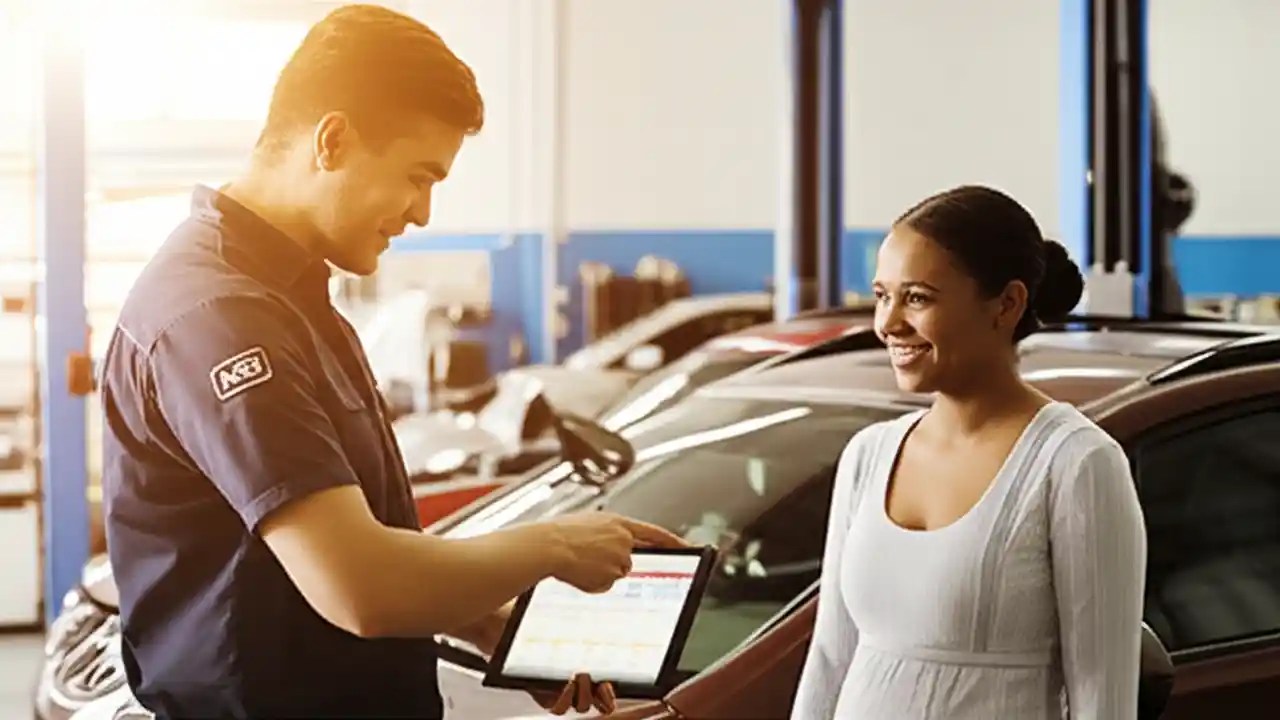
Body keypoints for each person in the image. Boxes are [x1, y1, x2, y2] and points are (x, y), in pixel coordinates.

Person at [99, 5, 682, 718]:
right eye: (418, 175)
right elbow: (359, 587)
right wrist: (553, 545)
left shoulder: (298, 303)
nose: (422, 213)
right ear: (333, 140)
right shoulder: (219, 315)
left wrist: (492, 629)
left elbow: (370, 539)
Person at [791, 185, 1147, 719]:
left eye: (917, 298)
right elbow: (828, 661)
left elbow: (1105, 699)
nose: (888, 324)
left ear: (1006, 304)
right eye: (882, 295)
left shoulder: (1075, 463)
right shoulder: (870, 454)